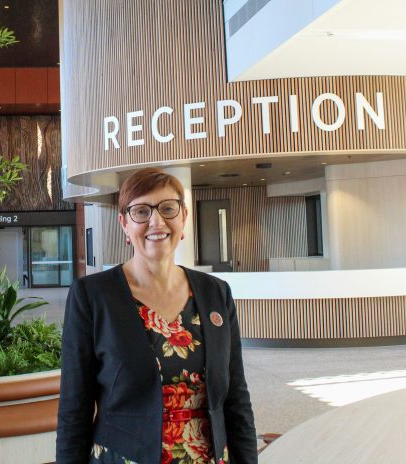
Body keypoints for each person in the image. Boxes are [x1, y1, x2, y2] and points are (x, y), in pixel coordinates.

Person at [56, 167, 258, 464]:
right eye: (141, 211)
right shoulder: (92, 296)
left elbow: (236, 399)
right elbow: (75, 407)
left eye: (167, 208)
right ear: (124, 224)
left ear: (183, 218)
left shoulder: (216, 294)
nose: (156, 221)